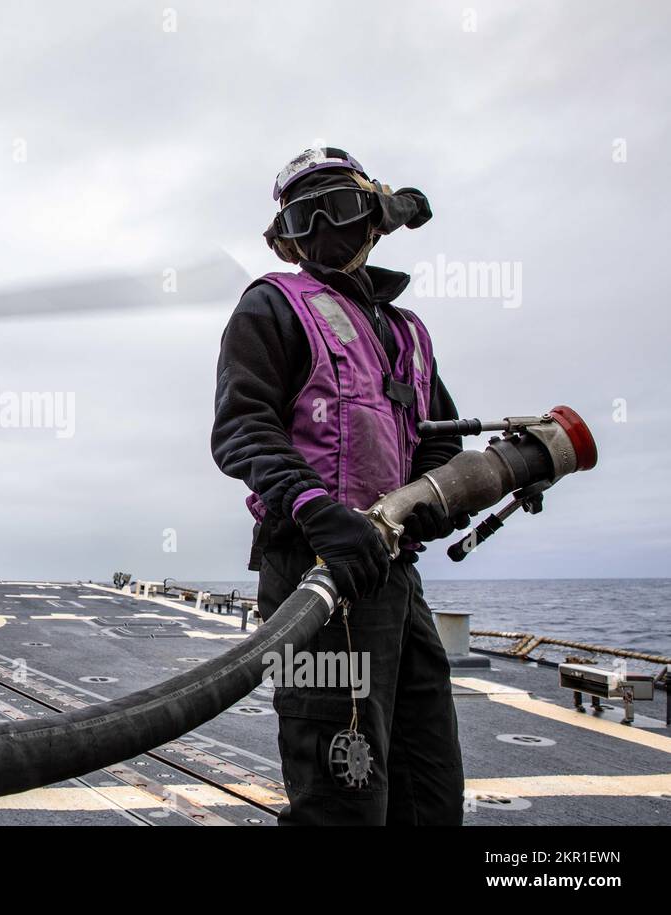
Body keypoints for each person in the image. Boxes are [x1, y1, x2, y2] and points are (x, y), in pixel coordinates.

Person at [211, 148, 468, 825]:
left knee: (430, 793)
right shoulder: (273, 305)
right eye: (306, 214)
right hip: (312, 577)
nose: (327, 225)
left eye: (343, 207)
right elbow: (242, 428)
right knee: (341, 798)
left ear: (375, 219)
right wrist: (318, 511)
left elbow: (439, 434)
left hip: (395, 581)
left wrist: (435, 498)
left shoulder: (409, 333)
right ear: (289, 235)